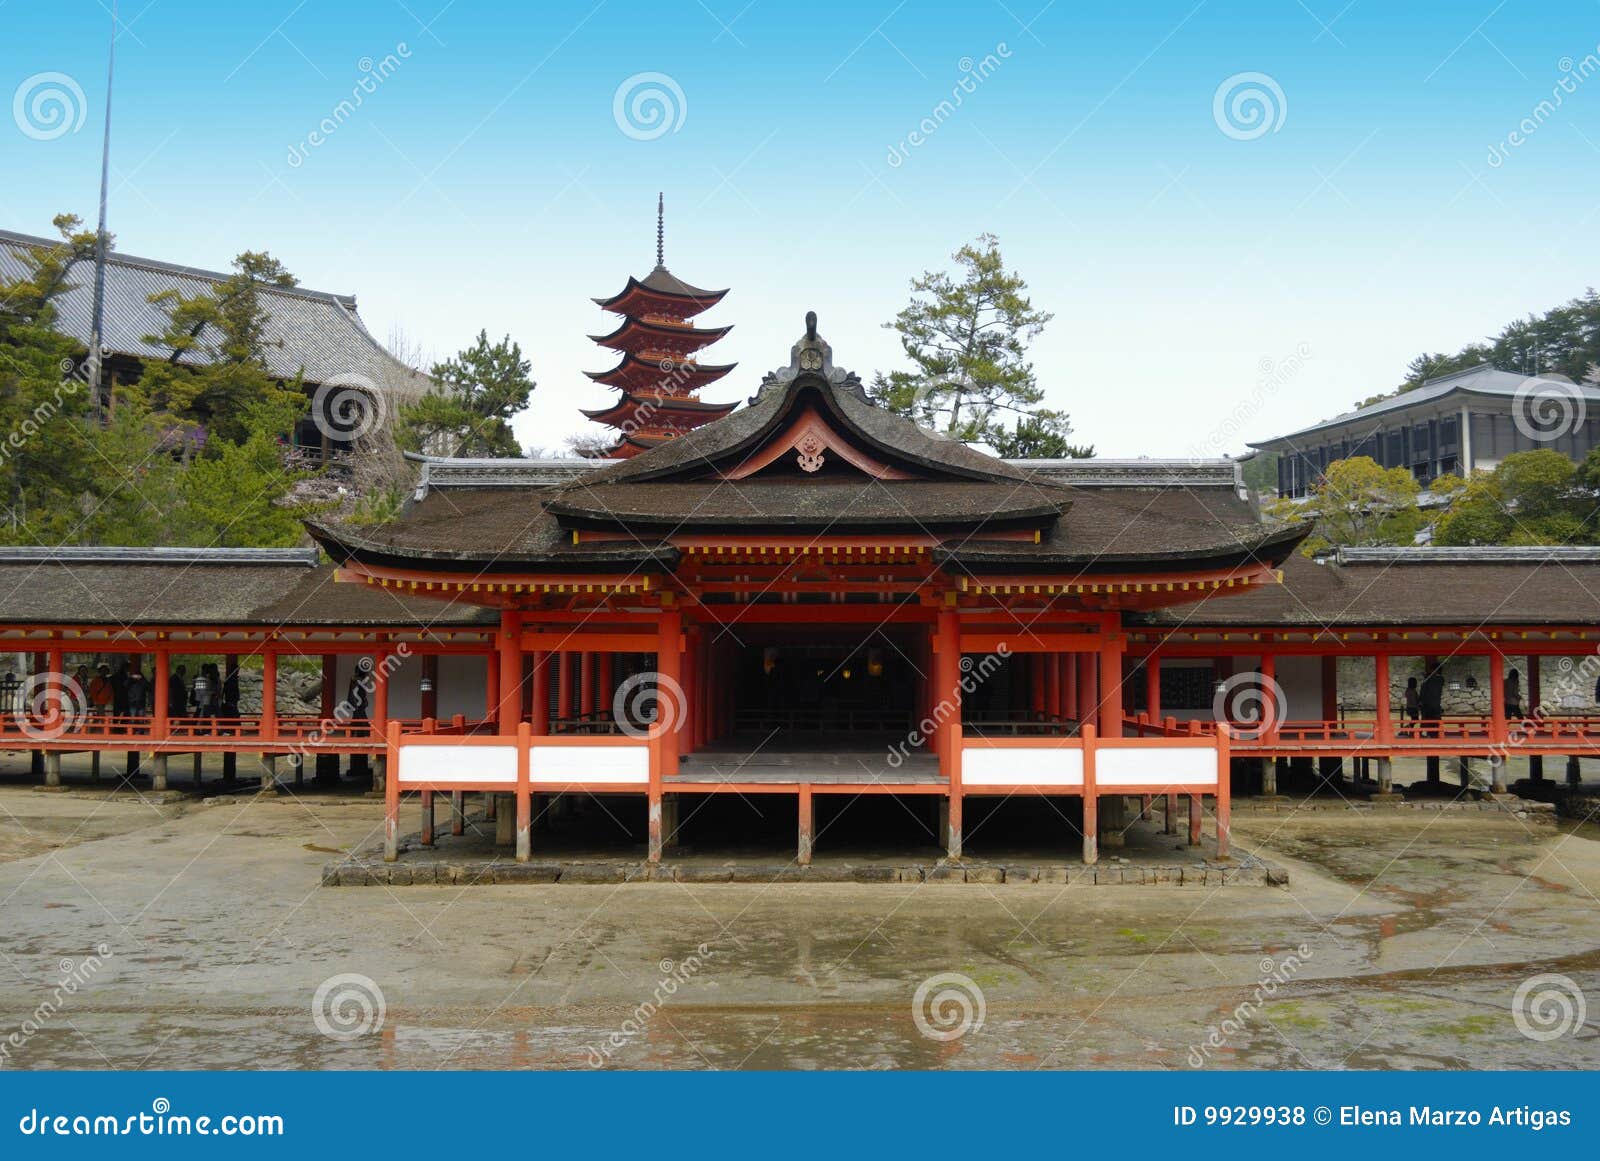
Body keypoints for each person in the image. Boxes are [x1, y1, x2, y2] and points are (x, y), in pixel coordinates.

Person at [1420, 665, 1445, 737]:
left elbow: (1424, 690)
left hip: (1431, 704)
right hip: (1432, 704)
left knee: (1432, 720)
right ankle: (1432, 734)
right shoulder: (1434, 679)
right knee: (1432, 720)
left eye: (1431, 670)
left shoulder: (1438, 679)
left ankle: (1434, 734)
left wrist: (1427, 676)